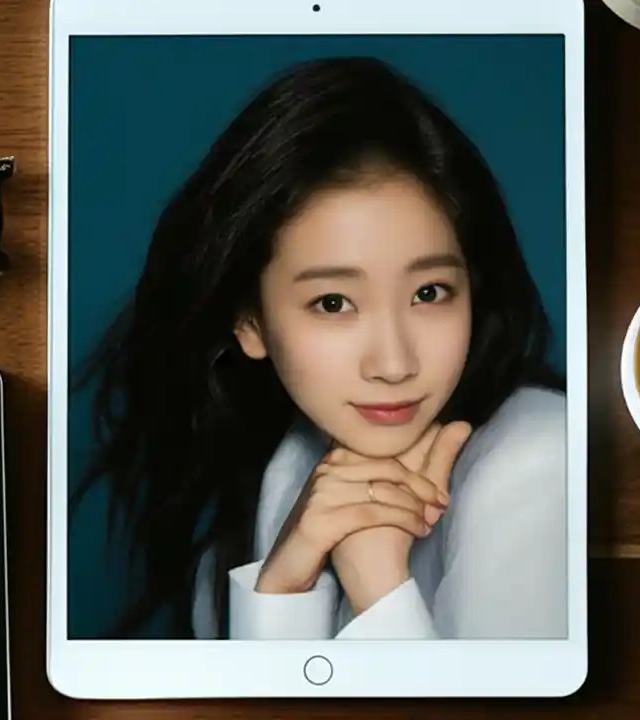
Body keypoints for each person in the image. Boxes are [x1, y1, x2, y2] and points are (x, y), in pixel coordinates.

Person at [72, 55, 567, 640]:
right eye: (334, 303)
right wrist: (282, 589)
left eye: (429, 292)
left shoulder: (536, 464)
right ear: (250, 322)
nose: (394, 364)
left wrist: (377, 583)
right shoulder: (279, 487)